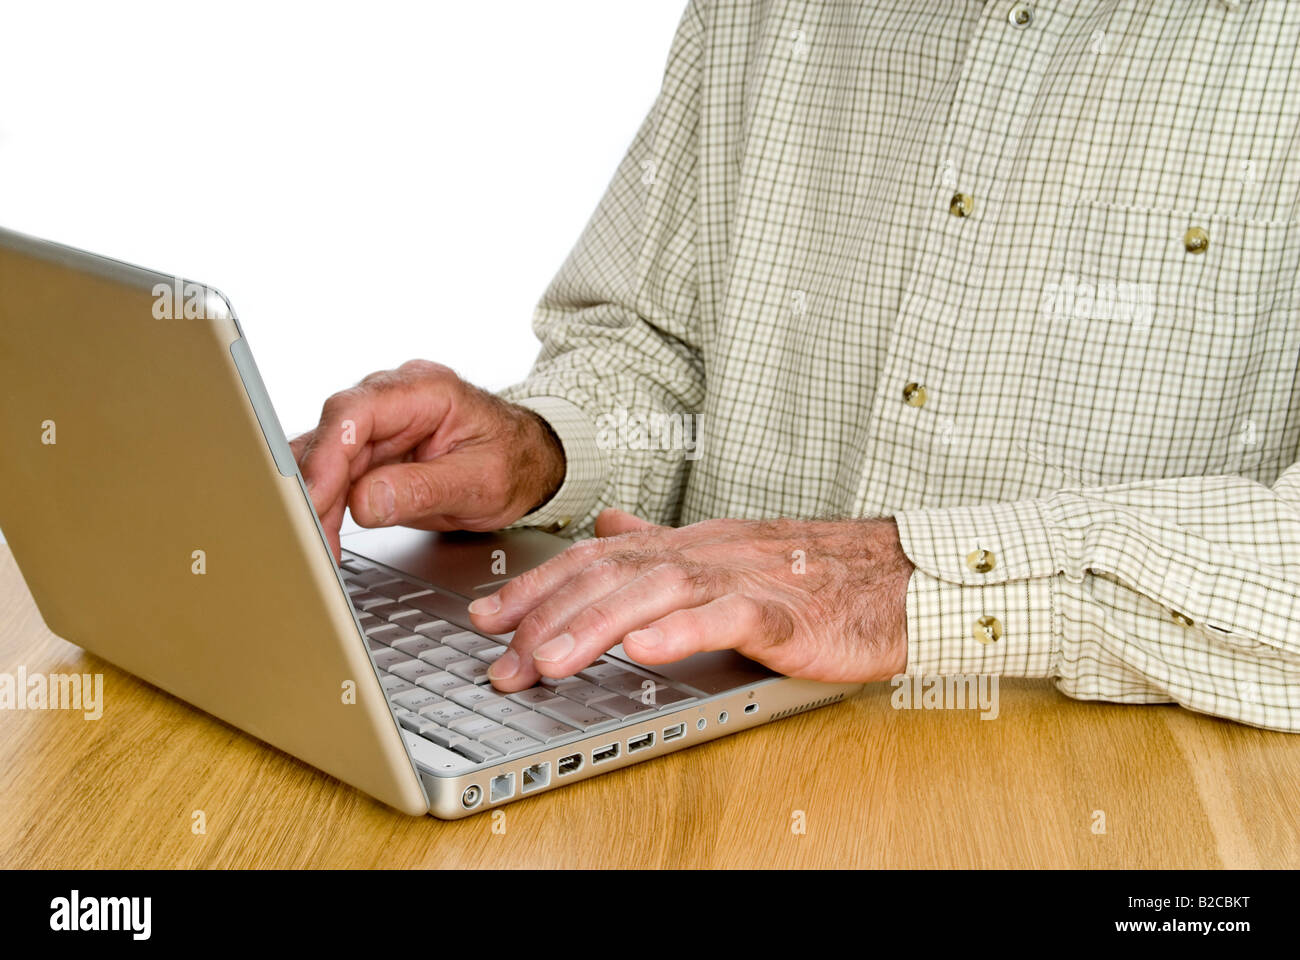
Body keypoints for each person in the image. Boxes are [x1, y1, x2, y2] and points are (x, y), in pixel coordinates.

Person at [291, 0, 1300, 732]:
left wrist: (889, 580)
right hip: (707, 750)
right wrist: (547, 448)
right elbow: (657, 347)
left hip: (1124, 811)